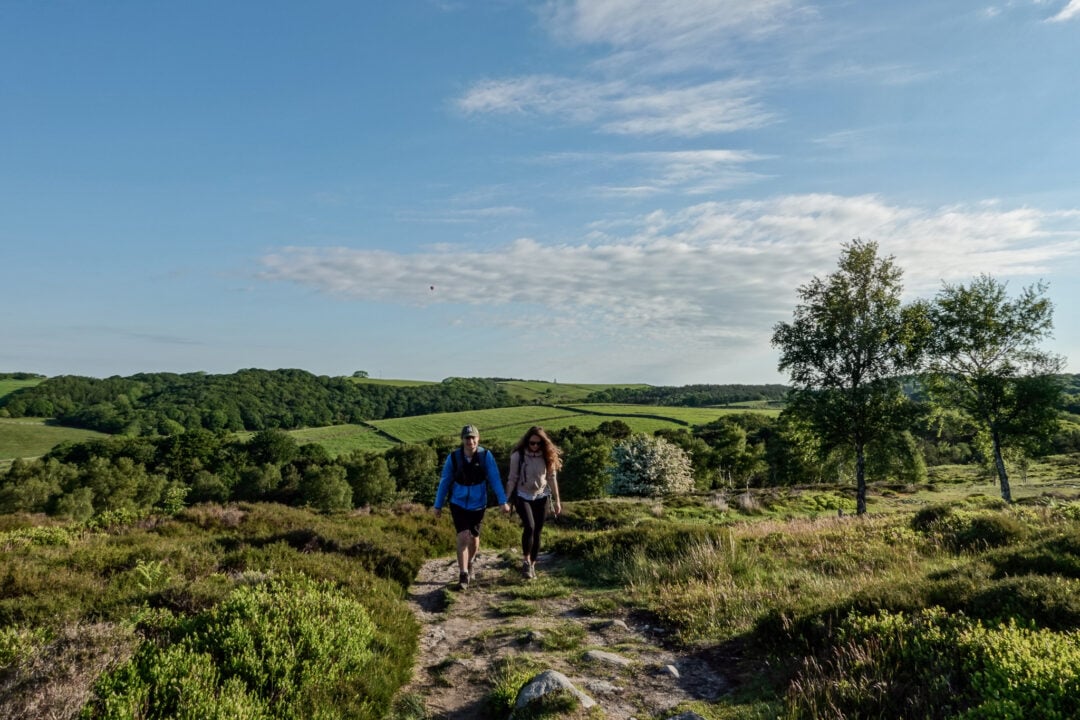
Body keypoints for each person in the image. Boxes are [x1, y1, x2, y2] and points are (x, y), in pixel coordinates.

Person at [433, 425, 510, 590]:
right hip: (458, 503)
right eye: (467, 438)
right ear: (462, 440)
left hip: (478, 504)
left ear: (478, 438)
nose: (470, 441)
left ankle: (471, 561)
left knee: (474, 538)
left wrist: (502, 501)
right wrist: (438, 505)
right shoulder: (453, 458)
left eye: (473, 437)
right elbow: (444, 482)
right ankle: (463, 574)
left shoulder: (485, 456)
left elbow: (495, 479)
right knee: (463, 537)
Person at [505, 425, 562, 579]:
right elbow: (512, 478)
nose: (535, 446)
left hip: (542, 496)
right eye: (532, 443)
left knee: (538, 531)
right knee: (529, 526)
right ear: (526, 442)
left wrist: (557, 500)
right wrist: (506, 500)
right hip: (522, 495)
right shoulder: (518, 456)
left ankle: (532, 565)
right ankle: (525, 561)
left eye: (538, 443)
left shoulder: (547, 455)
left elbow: (551, 478)